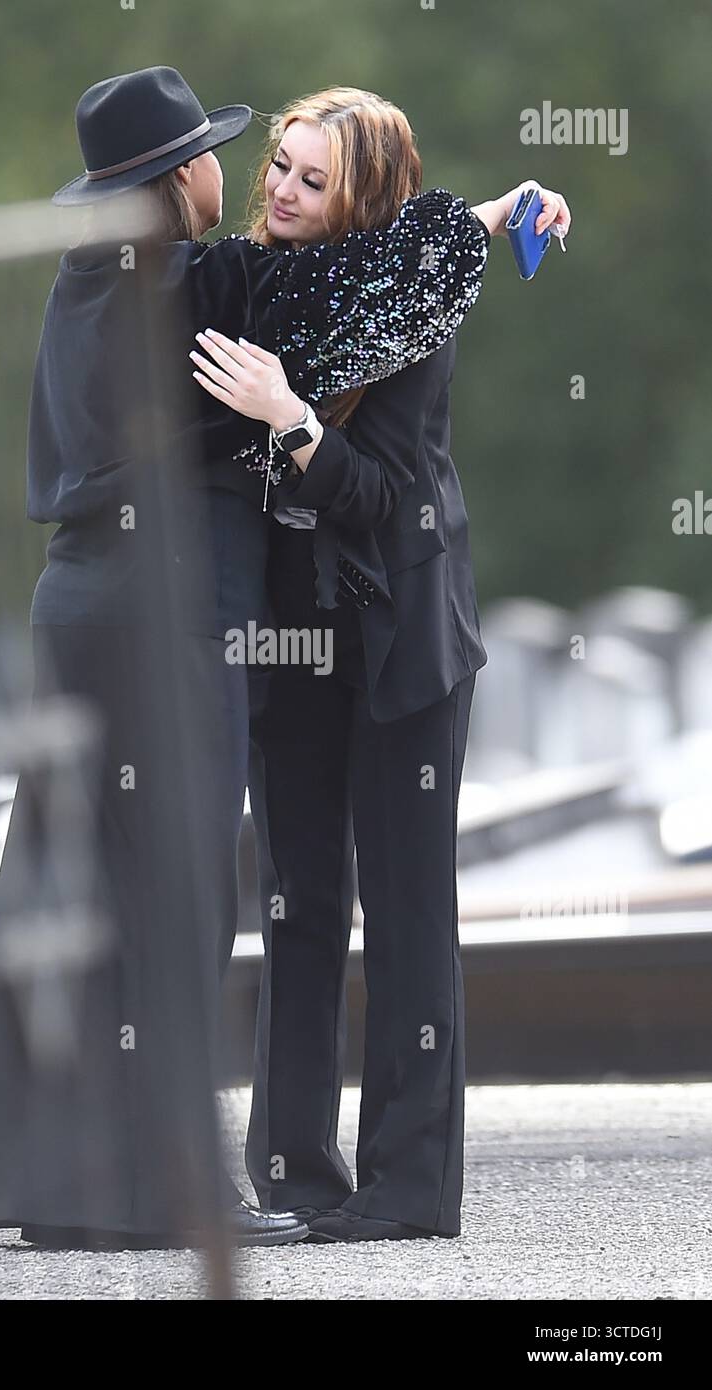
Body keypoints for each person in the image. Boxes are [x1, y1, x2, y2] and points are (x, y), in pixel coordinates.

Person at [0, 66, 544, 1252]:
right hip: (168, 622)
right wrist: (485, 217)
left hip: (218, 622)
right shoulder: (196, 281)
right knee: (191, 896)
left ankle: (78, 1184)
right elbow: (340, 286)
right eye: (253, 158)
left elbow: (361, 304)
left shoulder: (113, 272)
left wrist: (487, 217)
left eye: (307, 176)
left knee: (94, 895)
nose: (258, 178)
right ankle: (179, 1184)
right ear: (182, 179)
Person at [190, 88, 571, 1242]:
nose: (286, 192)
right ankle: (296, 1168)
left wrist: (291, 419)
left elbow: (381, 496)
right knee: (300, 901)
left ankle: (409, 1187)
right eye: (282, 169)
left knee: (408, 910)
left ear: (359, 194)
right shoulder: (262, 284)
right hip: (295, 636)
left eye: (315, 179)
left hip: (400, 631)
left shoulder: (410, 315)